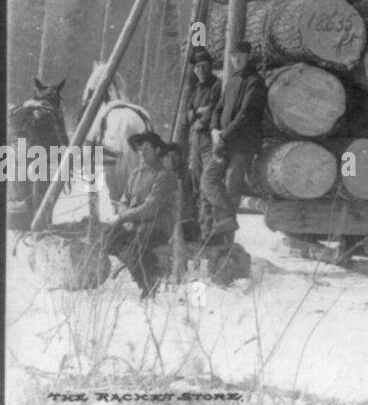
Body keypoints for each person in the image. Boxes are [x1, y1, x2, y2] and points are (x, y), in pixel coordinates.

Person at [201, 40, 267, 247]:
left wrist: (224, 135)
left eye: (240, 55)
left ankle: (226, 241)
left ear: (248, 56)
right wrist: (213, 129)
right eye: (233, 55)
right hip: (223, 142)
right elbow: (219, 108)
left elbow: (246, 115)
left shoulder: (255, 82)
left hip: (241, 145)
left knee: (231, 187)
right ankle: (225, 221)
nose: (236, 59)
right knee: (208, 179)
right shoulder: (232, 80)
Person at [103, 131, 179, 298]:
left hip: (157, 225)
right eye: (139, 149)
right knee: (107, 237)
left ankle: (148, 284)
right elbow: (124, 200)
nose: (141, 153)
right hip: (135, 222)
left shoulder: (165, 176)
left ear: (158, 150)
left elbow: (150, 208)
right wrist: (125, 218)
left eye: (146, 148)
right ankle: (145, 267)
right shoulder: (136, 173)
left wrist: (124, 217)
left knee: (137, 243)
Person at [182, 47, 222, 238]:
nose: (200, 70)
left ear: (210, 66)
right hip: (195, 141)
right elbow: (188, 113)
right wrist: (198, 112)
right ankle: (200, 227)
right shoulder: (197, 88)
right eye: (197, 67)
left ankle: (209, 230)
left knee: (207, 184)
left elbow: (214, 109)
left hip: (208, 141)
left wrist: (199, 117)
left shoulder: (217, 85)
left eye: (204, 66)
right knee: (197, 184)